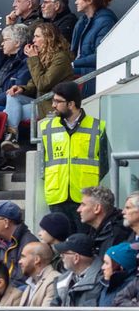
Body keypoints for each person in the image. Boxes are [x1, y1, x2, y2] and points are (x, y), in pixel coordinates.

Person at [37, 82, 109, 223]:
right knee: (60, 243)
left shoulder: (97, 126)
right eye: (53, 101)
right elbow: (43, 162)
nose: (53, 105)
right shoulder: (47, 127)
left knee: (84, 241)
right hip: (57, 196)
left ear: (71, 104)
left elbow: (105, 163)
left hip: (85, 197)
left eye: (57, 101)